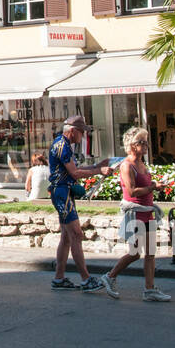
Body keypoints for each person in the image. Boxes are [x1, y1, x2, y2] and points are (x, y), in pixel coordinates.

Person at [102, 127, 171, 302]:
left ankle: (149, 289)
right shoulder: (127, 166)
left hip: (147, 211)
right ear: (132, 146)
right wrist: (153, 187)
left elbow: (146, 185)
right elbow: (132, 191)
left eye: (146, 142)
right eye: (142, 142)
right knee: (135, 253)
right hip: (136, 213)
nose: (146, 145)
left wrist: (156, 184)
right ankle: (110, 276)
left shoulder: (141, 164)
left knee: (150, 252)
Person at [49, 116, 110, 291]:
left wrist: (97, 167)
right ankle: (85, 278)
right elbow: (75, 173)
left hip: (63, 192)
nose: (83, 136)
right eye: (82, 132)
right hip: (62, 193)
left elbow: (74, 171)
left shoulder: (64, 144)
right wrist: (99, 170)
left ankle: (59, 278)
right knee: (76, 235)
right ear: (72, 131)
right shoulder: (62, 146)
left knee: (67, 236)